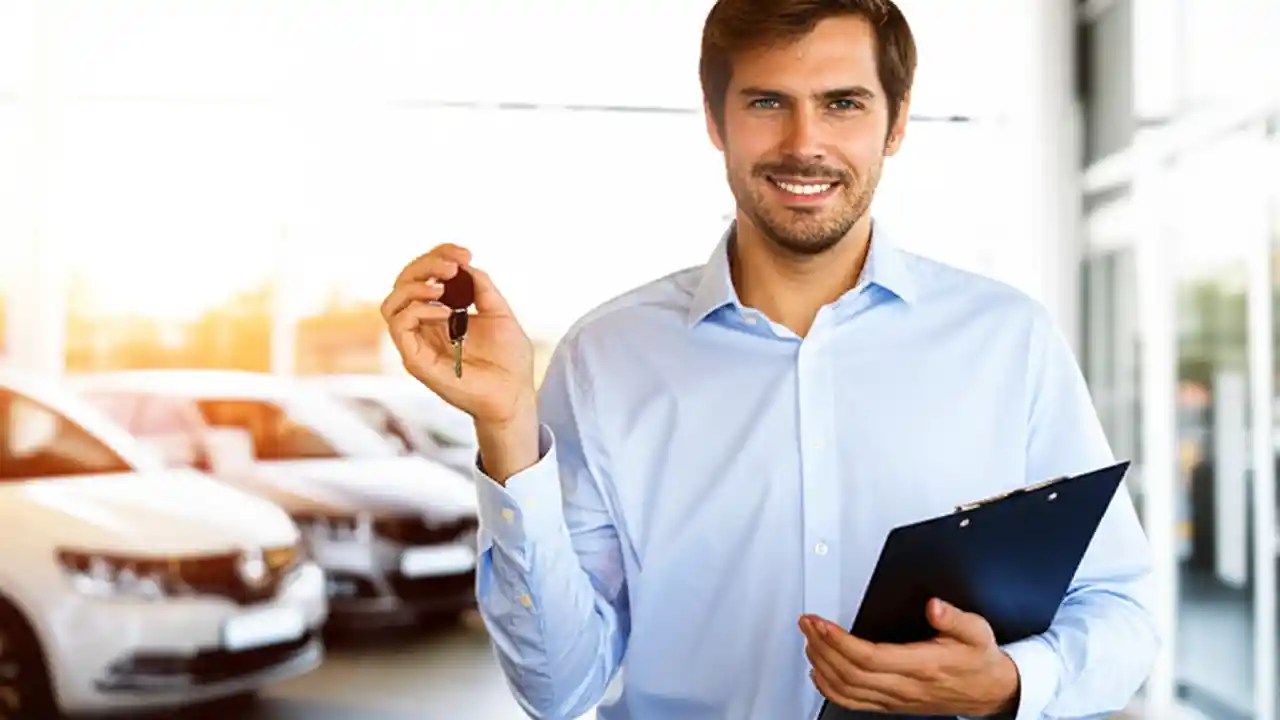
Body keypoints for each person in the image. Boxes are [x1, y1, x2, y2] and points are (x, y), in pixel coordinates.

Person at [380, 1, 1159, 718]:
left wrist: (1014, 683)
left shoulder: (1007, 341)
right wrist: (508, 426)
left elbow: (1122, 616)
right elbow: (558, 687)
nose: (804, 144)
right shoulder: (606, 359)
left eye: (843, 103)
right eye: (766, 102)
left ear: (896, 124)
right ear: (717, 121)